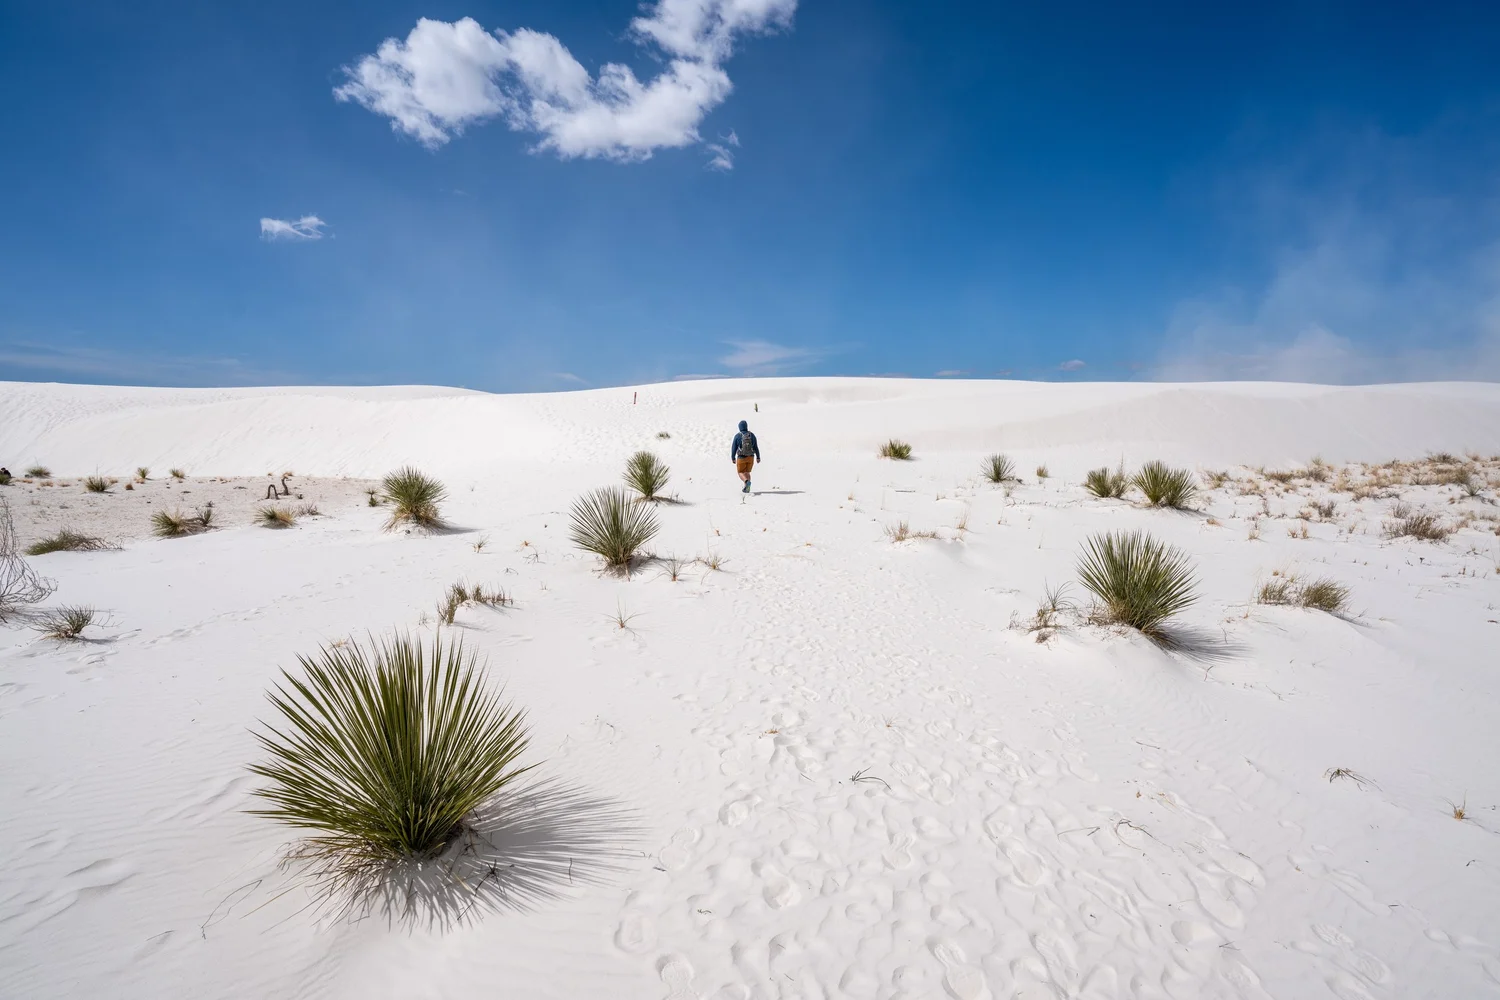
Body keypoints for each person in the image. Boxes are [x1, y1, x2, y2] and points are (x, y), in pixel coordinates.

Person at [730, 419, 760, 493]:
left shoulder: (738, 436)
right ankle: (747, 488)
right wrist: (758, 457)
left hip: (741, 458)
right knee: (747, 472)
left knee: (740, 472)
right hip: (751, 457)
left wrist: (733, 457)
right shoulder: (752, 435)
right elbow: (756, 447)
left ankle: (746, 482)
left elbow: (734, 447)